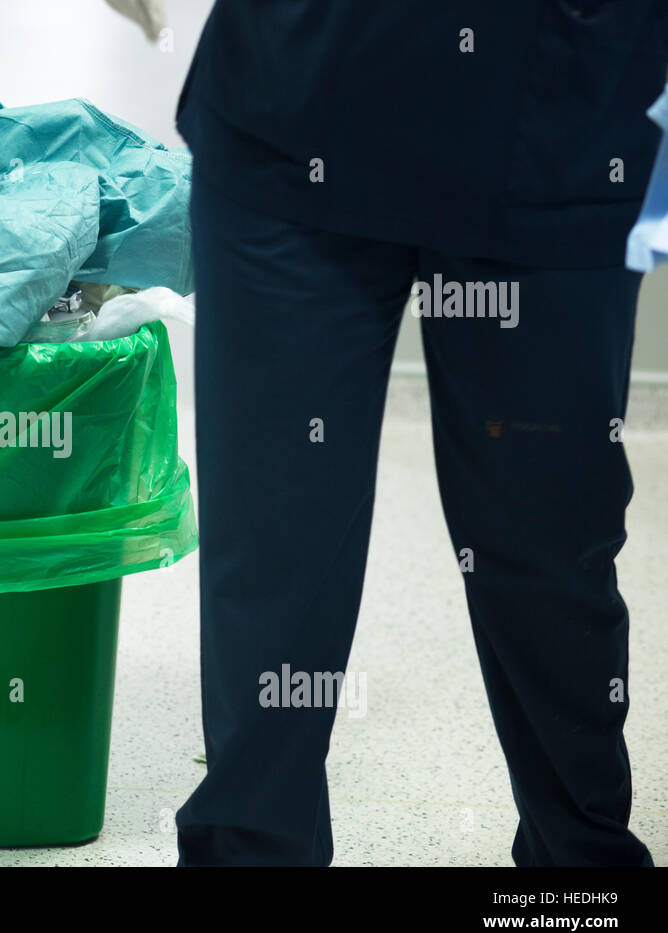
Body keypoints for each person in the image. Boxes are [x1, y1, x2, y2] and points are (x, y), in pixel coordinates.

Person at [109, 0, 668, 865]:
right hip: (295, 103)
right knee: (275, 544)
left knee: (548, 549)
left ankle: (579, 878)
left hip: (563, 118)